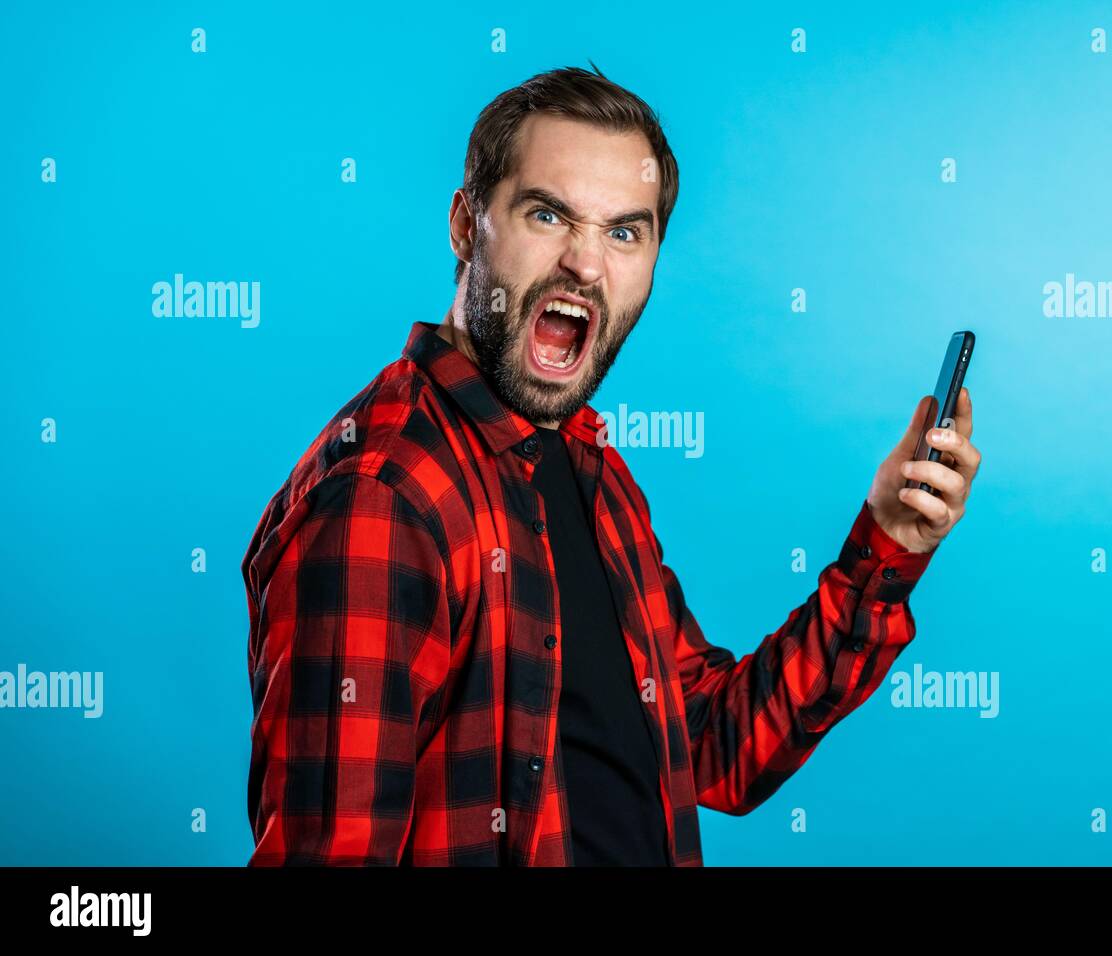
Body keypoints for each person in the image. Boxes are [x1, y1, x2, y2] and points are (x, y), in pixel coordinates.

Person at [241, 65, 980, 866]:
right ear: (465, 226)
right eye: (548, 214)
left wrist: (887, 544)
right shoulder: (382, 499)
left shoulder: (589, 467)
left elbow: (713, 747)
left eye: (624, 231)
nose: (586, 266)